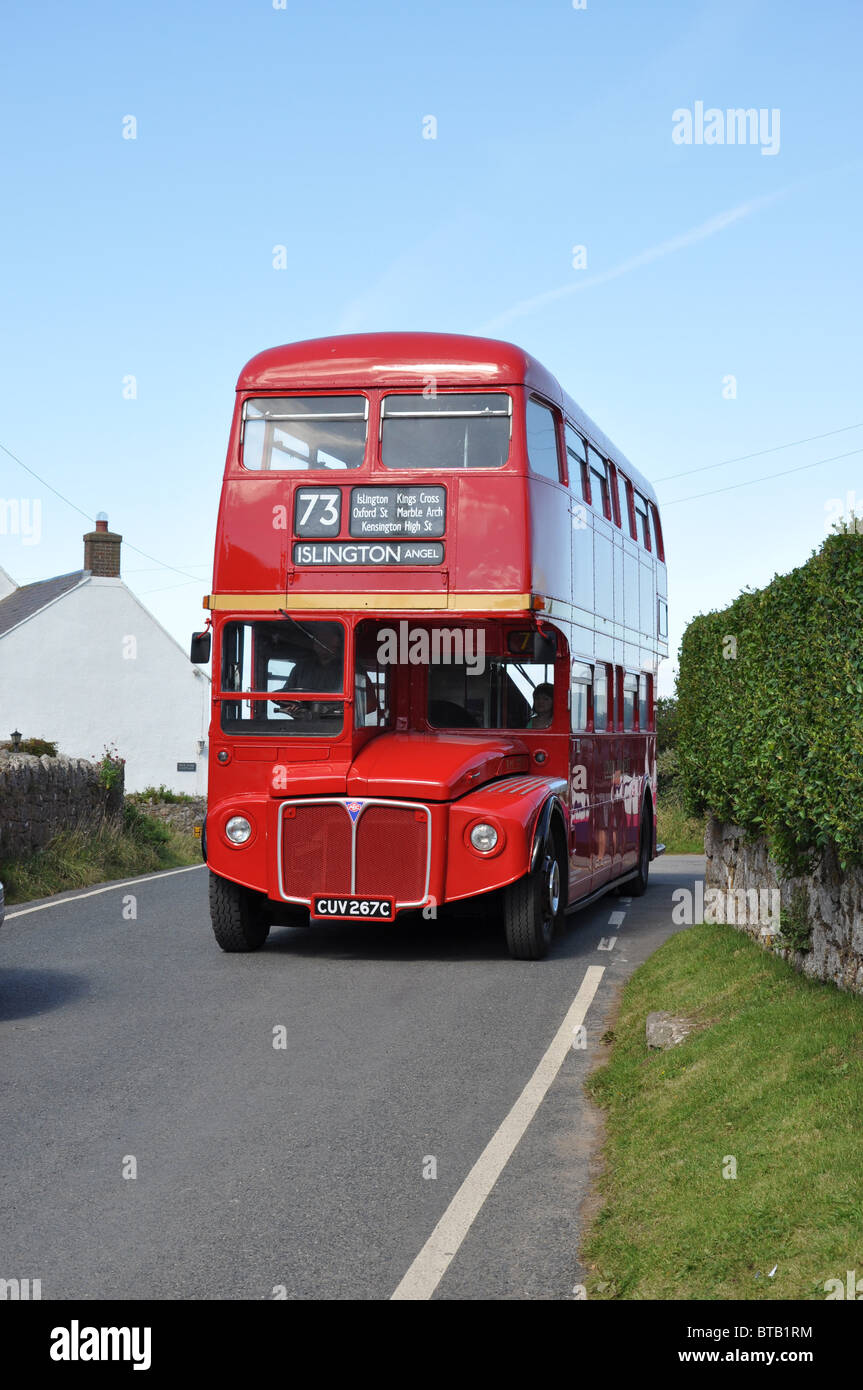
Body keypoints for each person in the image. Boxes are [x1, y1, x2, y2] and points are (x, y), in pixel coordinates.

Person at [274, 638, 343, 719]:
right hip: (302, 724)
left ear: (337, 644)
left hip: (336, 724)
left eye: (327, 641)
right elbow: (287, 693)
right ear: (315, 645)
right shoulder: (300, 668)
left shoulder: (346, 668)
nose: (322, 645)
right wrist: (291, 704)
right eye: (319, 641)